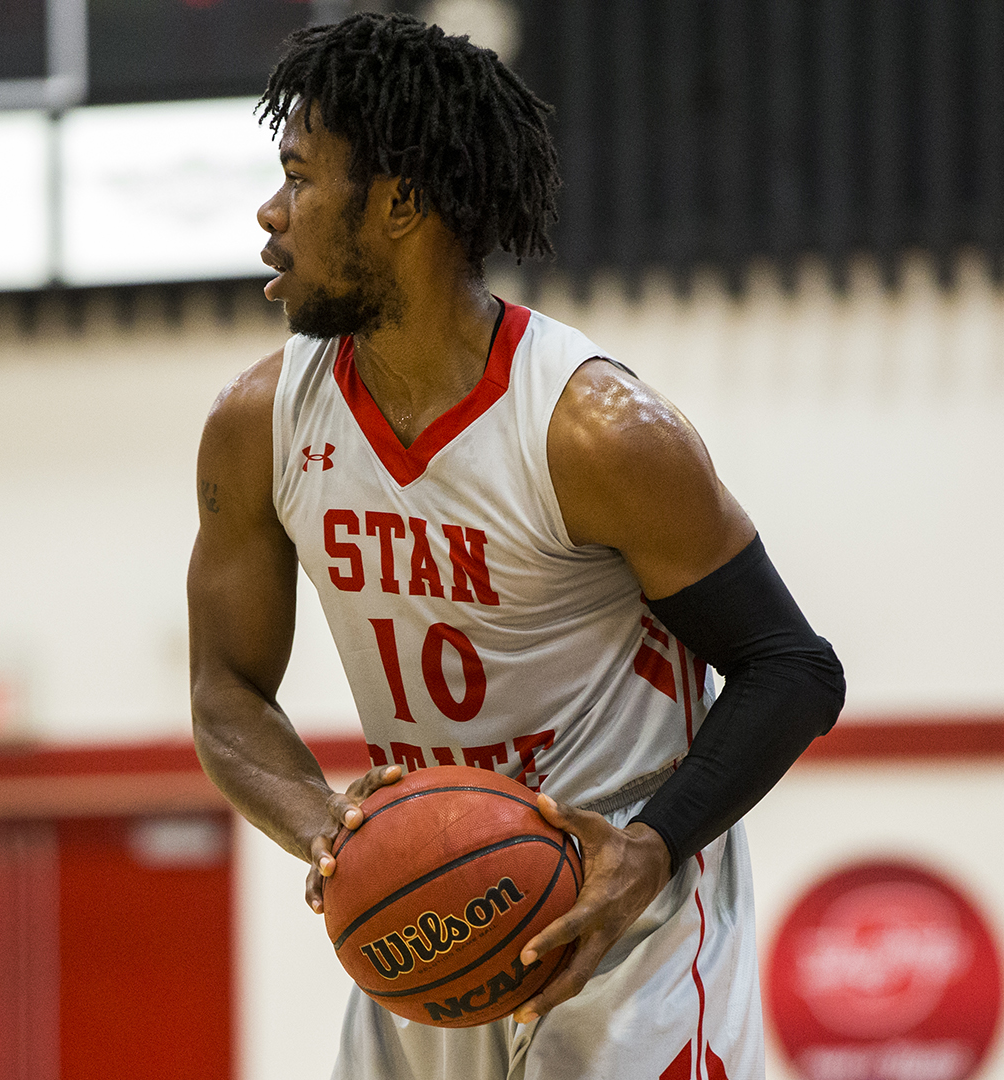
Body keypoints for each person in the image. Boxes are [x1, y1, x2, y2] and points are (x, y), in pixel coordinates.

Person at [187, 13, 845, 1079]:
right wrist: (329, 832)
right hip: (424, 923)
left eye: (301, 179)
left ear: (400, 202)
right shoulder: (258, 426)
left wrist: (648, 848)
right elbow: (224, 688)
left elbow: (793, 669)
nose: (270, 214)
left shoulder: (596, 433)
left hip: (626, 931)